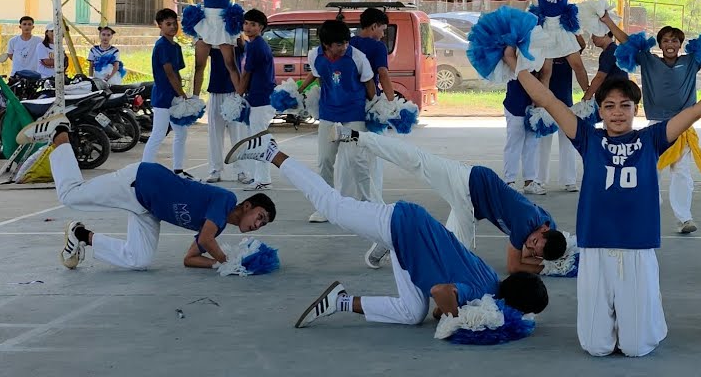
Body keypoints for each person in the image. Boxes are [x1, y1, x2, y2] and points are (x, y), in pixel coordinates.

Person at [515, 50, 701, 356]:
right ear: (600, 111)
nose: (617, 112)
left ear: (635, 109)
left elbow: (696, 110)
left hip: (637, 246)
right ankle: (610, 327)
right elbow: (548, 100)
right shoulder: (588, 138)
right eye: (610, 106)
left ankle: (642, 324)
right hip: (596, 245)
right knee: (596, 346)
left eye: (625, 106)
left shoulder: (652, 139)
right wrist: (517, 67)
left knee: (636, 347)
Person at [222, 136, 548, 328]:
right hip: (402, 225)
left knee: (412, 313)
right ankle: (270, 150)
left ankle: (341, 301)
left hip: (409, 242)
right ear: (515, 305)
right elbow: (441, 293)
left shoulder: (491, 280)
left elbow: (437, 298)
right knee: (332, 205)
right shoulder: (481, 294)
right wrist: (455, 318)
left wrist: (443, 309)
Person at [28, 116, 275, 271]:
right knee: (70, 195)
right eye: (260, 216)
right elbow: (208, 242)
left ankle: (81, 235)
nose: (258, 224)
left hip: (148, 209)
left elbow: (189, 259)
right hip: (138, 182)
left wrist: (219, 265)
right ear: (247, 205)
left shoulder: (217, 226)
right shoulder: (226, 200)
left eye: (262, 224)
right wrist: (226, 259)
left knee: (139, 260)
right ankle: (60, 132)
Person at [327, 130, 568, 273]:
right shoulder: (525, 221)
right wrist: (547, 268)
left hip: (470, 209)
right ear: (543, 229)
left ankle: (390, 243)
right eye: (534, 241)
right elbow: (514, 267)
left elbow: (533, 254)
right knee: (415, 160)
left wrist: (544, 258)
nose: (530, 243)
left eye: (535, 248)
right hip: (464, 181)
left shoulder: (546, 228)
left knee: (453, 256)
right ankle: (356, 136)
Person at [600, 12, 701, 234]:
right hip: (655, 125)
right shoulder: (648, 60)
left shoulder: (691, 61)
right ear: (659, 44)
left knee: (681, 172)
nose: (670, 44)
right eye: (666, 40)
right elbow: (625, 40)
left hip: (683, 125)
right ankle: (647, 212)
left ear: (680, 45)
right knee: (651, 171)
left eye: (675, 40)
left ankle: (684, 218)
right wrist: (607, 20)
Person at [296, 20, 382, 241]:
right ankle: (325, 207)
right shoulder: (315, 56)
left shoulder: (357, 57)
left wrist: (377, 109)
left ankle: (371, 206)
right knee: (324, 160)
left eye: (345, 42)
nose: (343, 46)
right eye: (338, 44)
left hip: (353, 115)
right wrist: (297, 92)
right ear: (326, 44)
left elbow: (369, 83)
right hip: (328, 114)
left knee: (356, 160)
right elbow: (315, 75)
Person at [181, 0, 254, 97]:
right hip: (206, 23)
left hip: (223, 24)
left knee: (231, 64)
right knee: (199, 66)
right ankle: (195, 97)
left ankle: (239, 96)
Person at [515, 0, 592, 92]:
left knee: (578, 66)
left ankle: (589, 98)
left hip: (563, 29)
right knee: (545, 72)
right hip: (544, 30)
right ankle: (542, 108)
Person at [141, 8, 195, 178]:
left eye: (175, 23)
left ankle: (178, 169)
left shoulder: (175, 46)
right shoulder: (162, 45)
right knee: (159, 132)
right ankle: (145, 168)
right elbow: (169, 72)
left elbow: (177, 72)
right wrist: (181, 93)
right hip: (164, 95)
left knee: (181, 132)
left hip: (175, 95)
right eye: (168, 24)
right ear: (160, 26)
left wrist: (181, 92)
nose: (173, 27)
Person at [203, 35, 261, 186]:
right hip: (215, 90)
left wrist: (236, 35)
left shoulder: (239, 42)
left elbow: (244, 47)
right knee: (215, 134)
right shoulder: (213, 40)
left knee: (238, 135)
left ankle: (241, 170)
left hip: (235, 92)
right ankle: (215, 169)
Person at [233, 9, 275, 189]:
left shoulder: (256, 46)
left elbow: (246, 74)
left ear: (261, 28)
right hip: (259, 98)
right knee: (260, 139)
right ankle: (261, 178)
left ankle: (263, 180)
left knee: (259, 140)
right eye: (246, 23)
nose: (248, 27)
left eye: (253, 24)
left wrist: (237, 96)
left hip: (260, 99)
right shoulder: (254, 44)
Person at [536, 54, 580, 193]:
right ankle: (539, 179)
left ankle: (569, 180)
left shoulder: (568, 50)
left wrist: (571, 33)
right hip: (546, 104)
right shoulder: (542, 52)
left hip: (566, 102)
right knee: (543, 143)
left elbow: (581, 44)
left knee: (568, 141)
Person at [502, 71, 541, 193]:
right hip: (516, 102)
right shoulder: (515, 53)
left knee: (532, 144)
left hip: (533, 103)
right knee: (514, 143)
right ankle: (509, 181)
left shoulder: (541, 55)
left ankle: (530, 181)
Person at [582, 31, 626, 101]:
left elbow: (600, 77)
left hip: (615, 94)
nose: (592, 38)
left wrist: (586, 97)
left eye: (595, 35)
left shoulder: (609, 52)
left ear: (605, 34)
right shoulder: (613, 49)